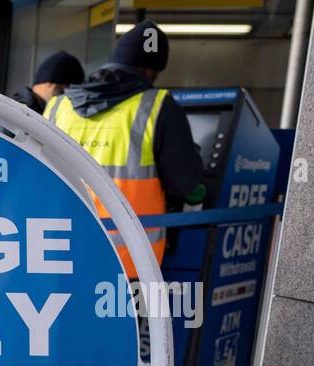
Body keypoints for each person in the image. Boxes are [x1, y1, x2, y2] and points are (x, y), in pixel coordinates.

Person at [45, 19, 204, 278]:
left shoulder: (58, 107)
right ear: (151, 71)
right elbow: (185, 183)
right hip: (128, 262)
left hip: (57, 253)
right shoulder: (158, 107)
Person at [10, 50, 84, 114]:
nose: (67, 100)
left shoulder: (21, 107)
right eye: (63, 92)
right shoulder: (18, 112)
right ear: (52, 85)